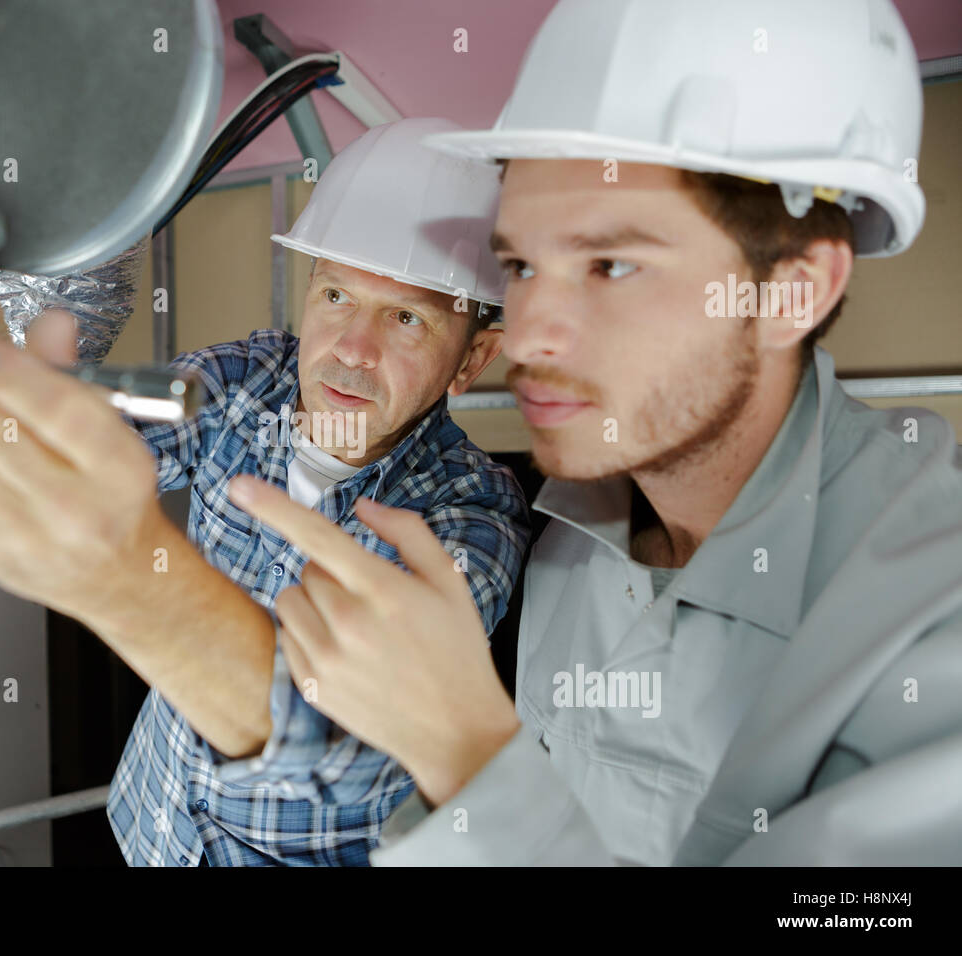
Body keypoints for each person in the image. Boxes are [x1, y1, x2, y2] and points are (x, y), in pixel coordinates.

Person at [227, 0, 962, 865]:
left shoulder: (931, 615)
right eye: (523, 265)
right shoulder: (571, 538)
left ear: (793, 291)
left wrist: (465, 754)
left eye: (611, 264)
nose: (531, 330)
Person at [0, 117, 531, 866]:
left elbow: (355, 738)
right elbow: (93, 436)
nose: (351, 349)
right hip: (152, 827)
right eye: (336, 295)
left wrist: (120, 576)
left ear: (472, 360)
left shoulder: (469, 519)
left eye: (405, 318)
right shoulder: (249, 380)